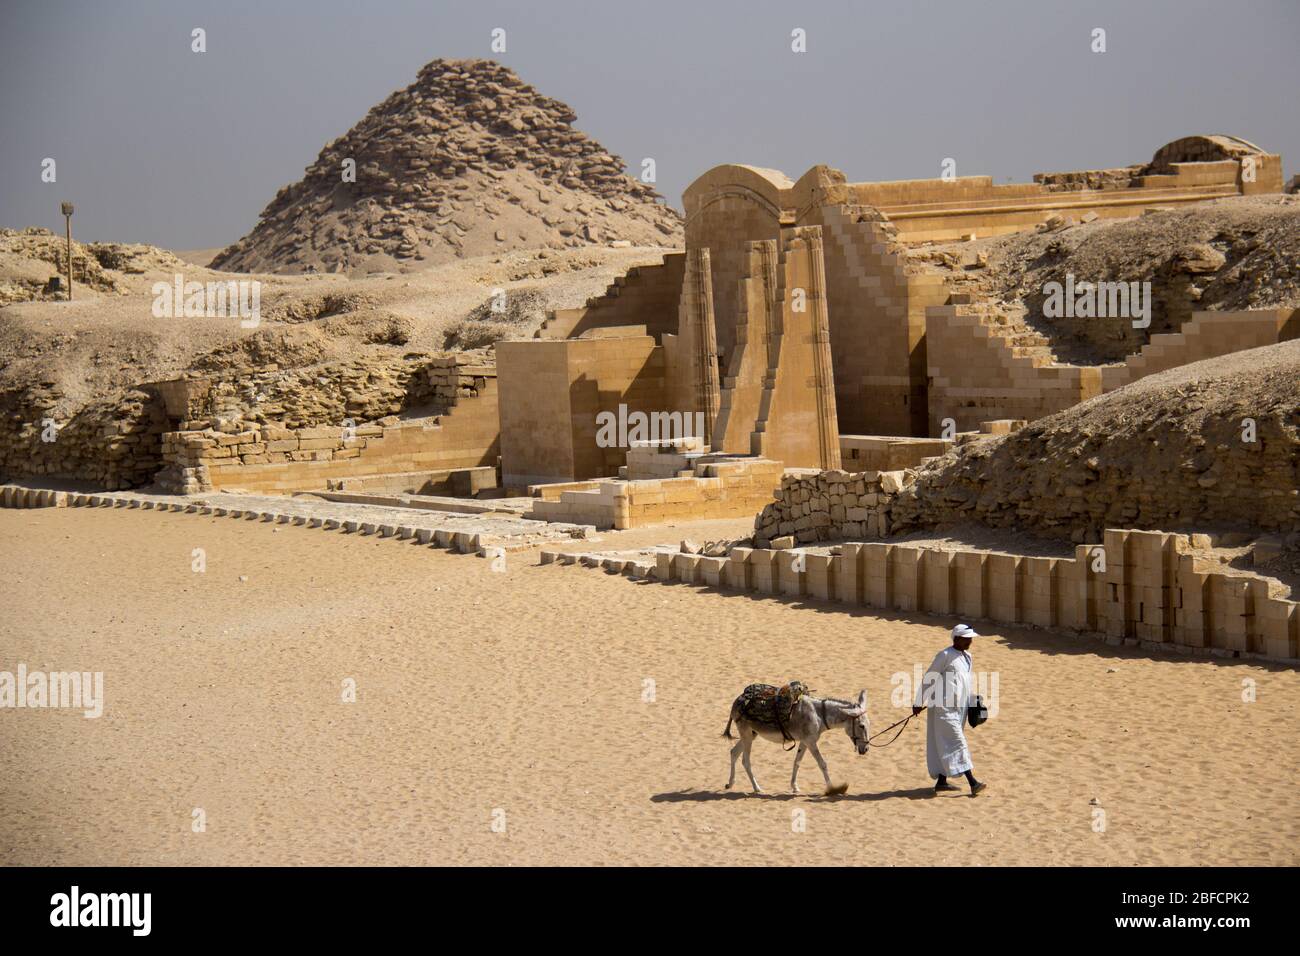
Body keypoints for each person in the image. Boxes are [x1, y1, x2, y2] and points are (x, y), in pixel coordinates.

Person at [912, 623, 987, 796]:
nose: (970, 641)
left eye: (971, 639)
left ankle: (942, 781)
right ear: (957, 638)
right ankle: (973, 782)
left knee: (945, 742)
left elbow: (965, 682)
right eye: (967, 639)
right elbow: (929, 678)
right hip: (943, 709)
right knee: (957, 742)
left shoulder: (968, 657)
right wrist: (918, 701)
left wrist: (973, 702)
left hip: (960, 709)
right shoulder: (944, 655)